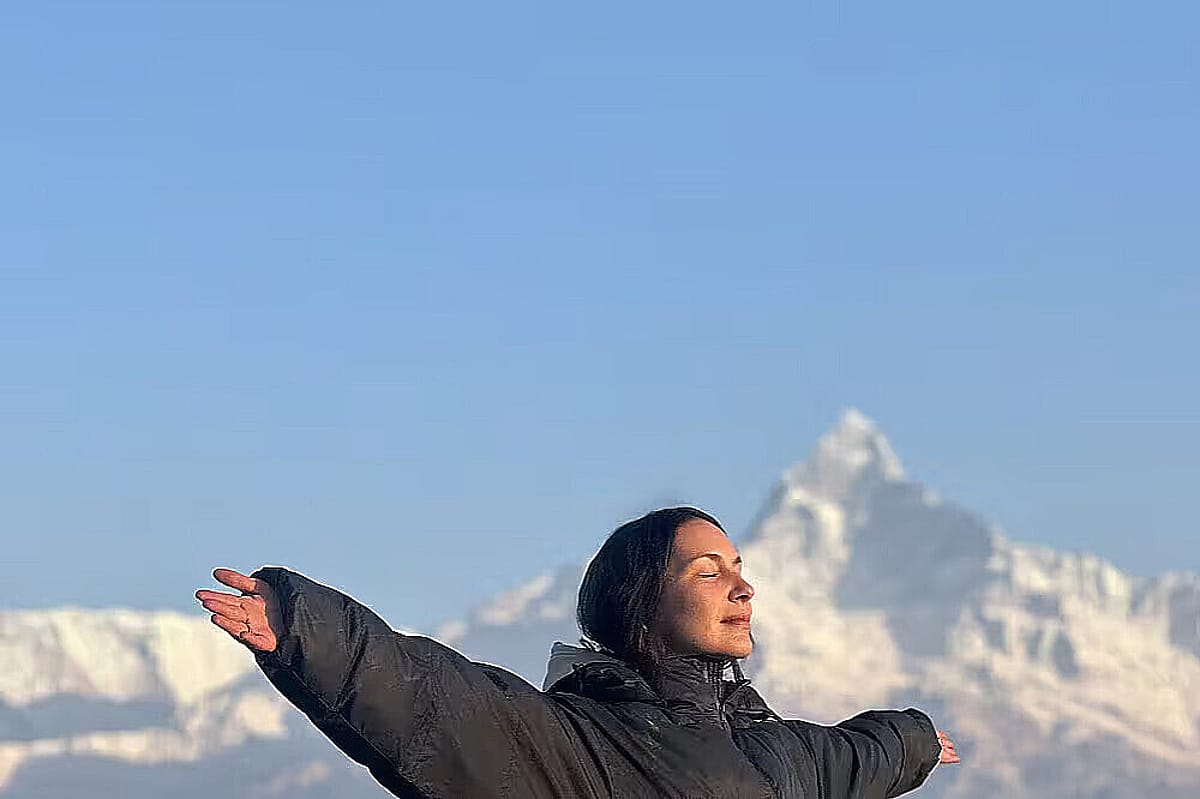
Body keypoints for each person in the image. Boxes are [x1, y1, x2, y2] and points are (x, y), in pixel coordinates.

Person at [195, 507, 960, 798]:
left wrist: (916, 738)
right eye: (708, 570)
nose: (742, 585)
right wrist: (308, 628)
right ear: (643, 600)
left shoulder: (769, 746)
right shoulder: (579, 743)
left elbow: (854, 755)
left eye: (738, 566)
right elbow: (435, 702)